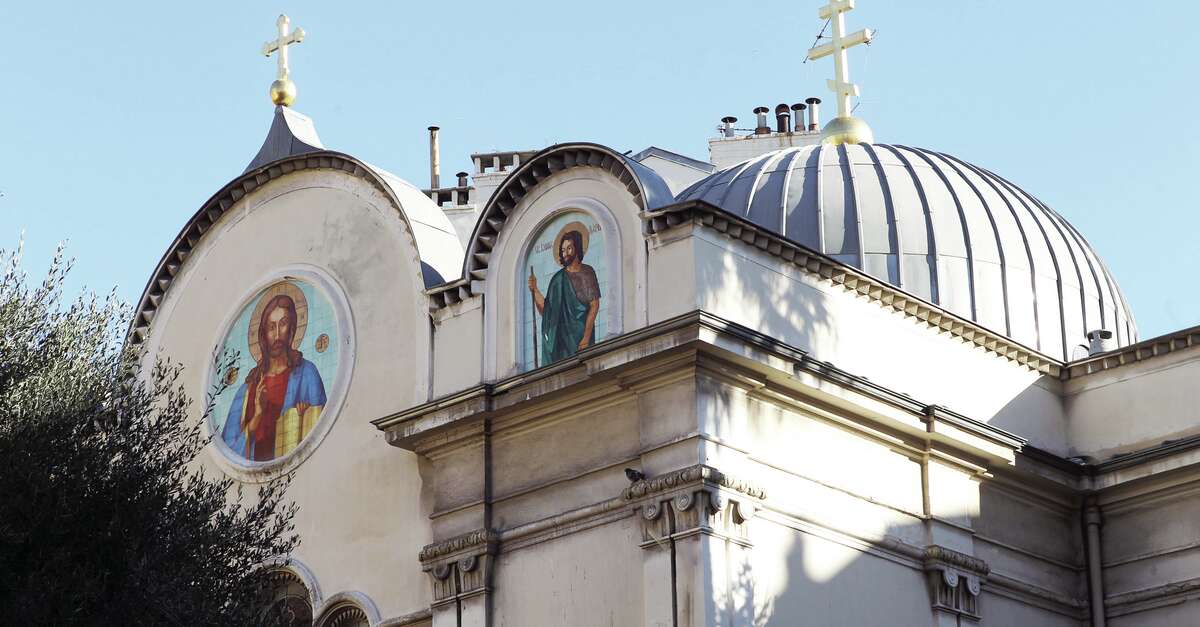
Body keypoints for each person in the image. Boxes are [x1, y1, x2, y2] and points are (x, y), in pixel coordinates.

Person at [222, 293, 326, 461]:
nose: (277, 334)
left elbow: (323, 426)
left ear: (292, 329)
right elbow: (229, 450)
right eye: (271, 327)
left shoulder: (307, 373)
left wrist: (306, 414)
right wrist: (257, 416)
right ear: (263, 335)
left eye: (283, 324)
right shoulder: (246, 391)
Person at [528, 227, 601, 366]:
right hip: (561, 341)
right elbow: (548, 312)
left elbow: (594, 305)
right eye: (563, 250)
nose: (565, 253)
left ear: (577, 248)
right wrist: (535, 290)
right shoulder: (557, 280)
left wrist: (585, 338)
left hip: (580, 337)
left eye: (569, 248)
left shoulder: (587, 273)